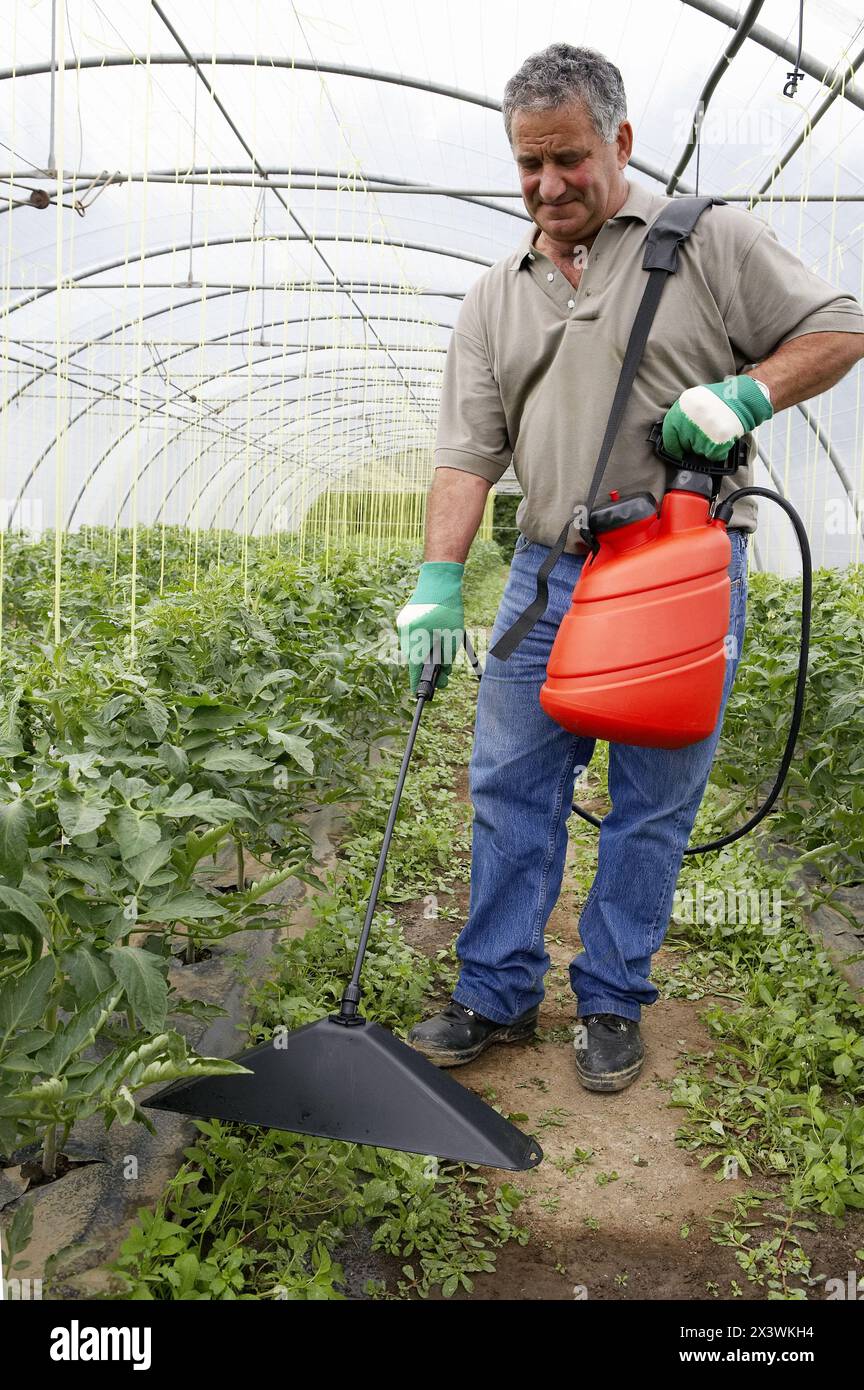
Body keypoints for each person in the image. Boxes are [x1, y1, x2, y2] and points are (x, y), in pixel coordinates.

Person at [398, 43, 864, 1092]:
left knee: (652, 800)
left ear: (619, 141)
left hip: (680, 572)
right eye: (528, 165)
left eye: (567, 159)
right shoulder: (494, 297)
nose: (548, 185)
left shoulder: (707, 242)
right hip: (547, 575)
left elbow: (838, 328)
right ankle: (497, 989)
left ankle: (610, 996)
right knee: (510, 786)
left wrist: (751, 393)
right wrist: (436, 580)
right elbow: (469, 456)